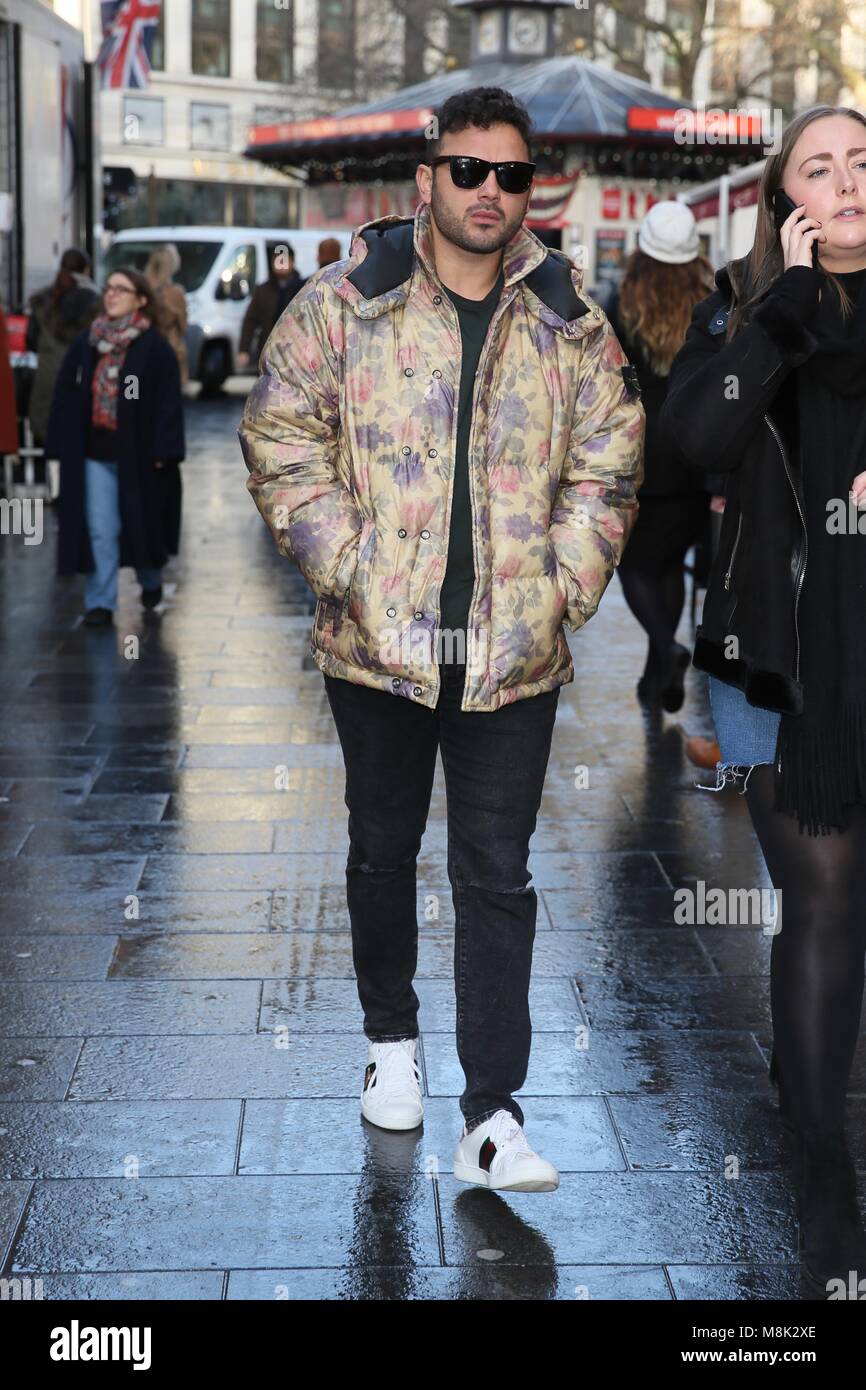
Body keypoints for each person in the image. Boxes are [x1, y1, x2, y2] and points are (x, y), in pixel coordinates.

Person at [239, 85, 644, 1191]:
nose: (488, 192)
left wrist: (561, 586)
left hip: (513, 654)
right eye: (467, 170)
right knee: (380, 849)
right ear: (425, 180)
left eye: (510, 176)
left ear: (529, 193)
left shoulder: (569, 319)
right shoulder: (342, 304)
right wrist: (352, 571)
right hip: (376, 647)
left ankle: (493, 1112)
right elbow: (279, 434)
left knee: (496, 876)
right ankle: (388, 1043)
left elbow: (610, 454)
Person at [660, 104, 866, 1297]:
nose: (846, 185)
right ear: (784, 200)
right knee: (824, 902)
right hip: (775, 660)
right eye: (819, 169)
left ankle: (813, 1090)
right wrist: (783, 312)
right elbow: (692, 437)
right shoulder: (745, 314)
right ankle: (823, 1168)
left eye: (862, 166)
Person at [605, 201, 716, 711]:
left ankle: (668, 648)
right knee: (669, 565)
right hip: (695, 457)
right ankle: (657, 669)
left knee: (634, 566)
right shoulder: (714, 304)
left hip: (639, 458)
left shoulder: (621, 303)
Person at [46, 266, 185, 627]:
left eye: (121, 290)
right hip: (94, 452)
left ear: (140, 300)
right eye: (109, 288)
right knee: (100, 528)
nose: (110, 294)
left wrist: (163, 450)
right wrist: (60, 443)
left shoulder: (153, 347)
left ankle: (150, 580)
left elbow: (168, 401)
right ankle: (101, 603)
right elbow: (65, 393)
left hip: (138, 455)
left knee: (142, 525)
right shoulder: (87, 342)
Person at [27, 247, 100, 450]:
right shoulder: (94, 301)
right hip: (81, 378)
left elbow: (31, 341)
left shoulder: (42, 301)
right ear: (86, 270)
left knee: (48, 431)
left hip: (47, 376)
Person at [237, 243, 304, 368]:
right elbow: (250, 321)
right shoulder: (263, 290)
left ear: (292, 262)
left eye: (284, 260)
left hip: (295, 354)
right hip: (268, 352)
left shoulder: (303, 288)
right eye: (278, 260)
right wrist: (244, 349)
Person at [144, 244, 189, 387]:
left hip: (144, 351)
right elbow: (183, 327)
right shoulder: (176, 293)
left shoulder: (142, 289)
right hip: (171, 350)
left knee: (136, 397)